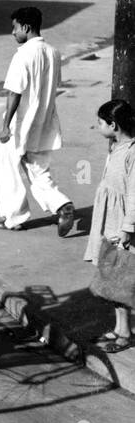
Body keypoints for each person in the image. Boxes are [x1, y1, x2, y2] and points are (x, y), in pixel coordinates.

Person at [0, 6, 75, 235]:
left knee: (8, 170)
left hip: (20, 124)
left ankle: (13, 218)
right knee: (39, 170)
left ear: (26, 27)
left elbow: (14, 93)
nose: (13, 33)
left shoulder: (23, 55)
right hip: (44, 123)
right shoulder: (53, 52)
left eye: (15, 27)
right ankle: (62, 204)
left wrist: (5, 126)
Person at [86, 99, 135, 352]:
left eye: (100, 123)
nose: (98, 127)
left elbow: (134, 194)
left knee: (121, 278)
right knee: (112, 275)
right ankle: (119, 327)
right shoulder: (116, 147)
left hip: (122, 224)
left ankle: (125, 332)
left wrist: (128, 228)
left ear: (113, 125)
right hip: (111, 221)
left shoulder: (132, 153)